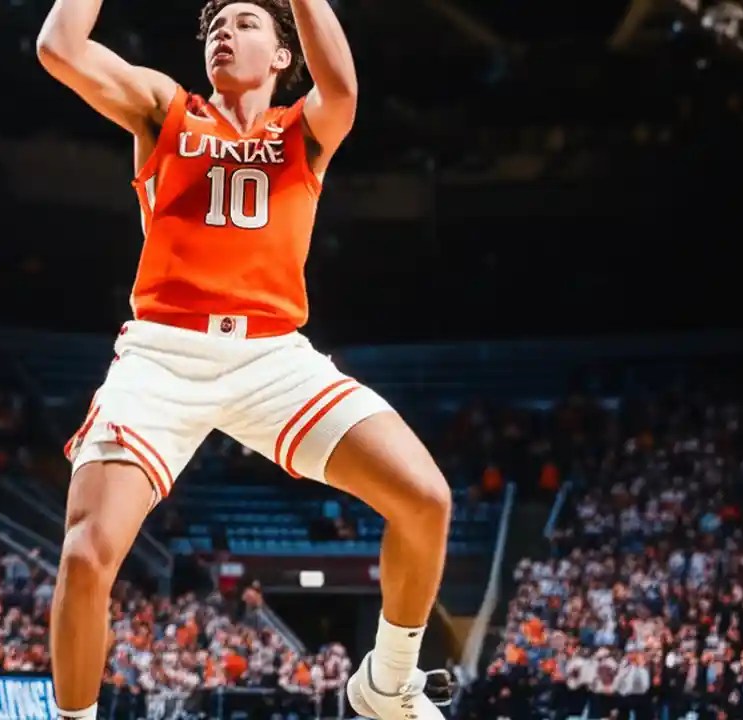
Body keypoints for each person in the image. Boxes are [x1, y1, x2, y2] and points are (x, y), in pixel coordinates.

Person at [36, 1, 454, 718]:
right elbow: (59, 45)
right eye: (216, 28)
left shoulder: (302, 132)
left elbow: (345, 91)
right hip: (163, 355)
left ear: (283, 57)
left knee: (426, 500)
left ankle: (387, 682)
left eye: (245, 23)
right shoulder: (166, 109)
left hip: (273, 358)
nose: (224, 34)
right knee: (83, 554)